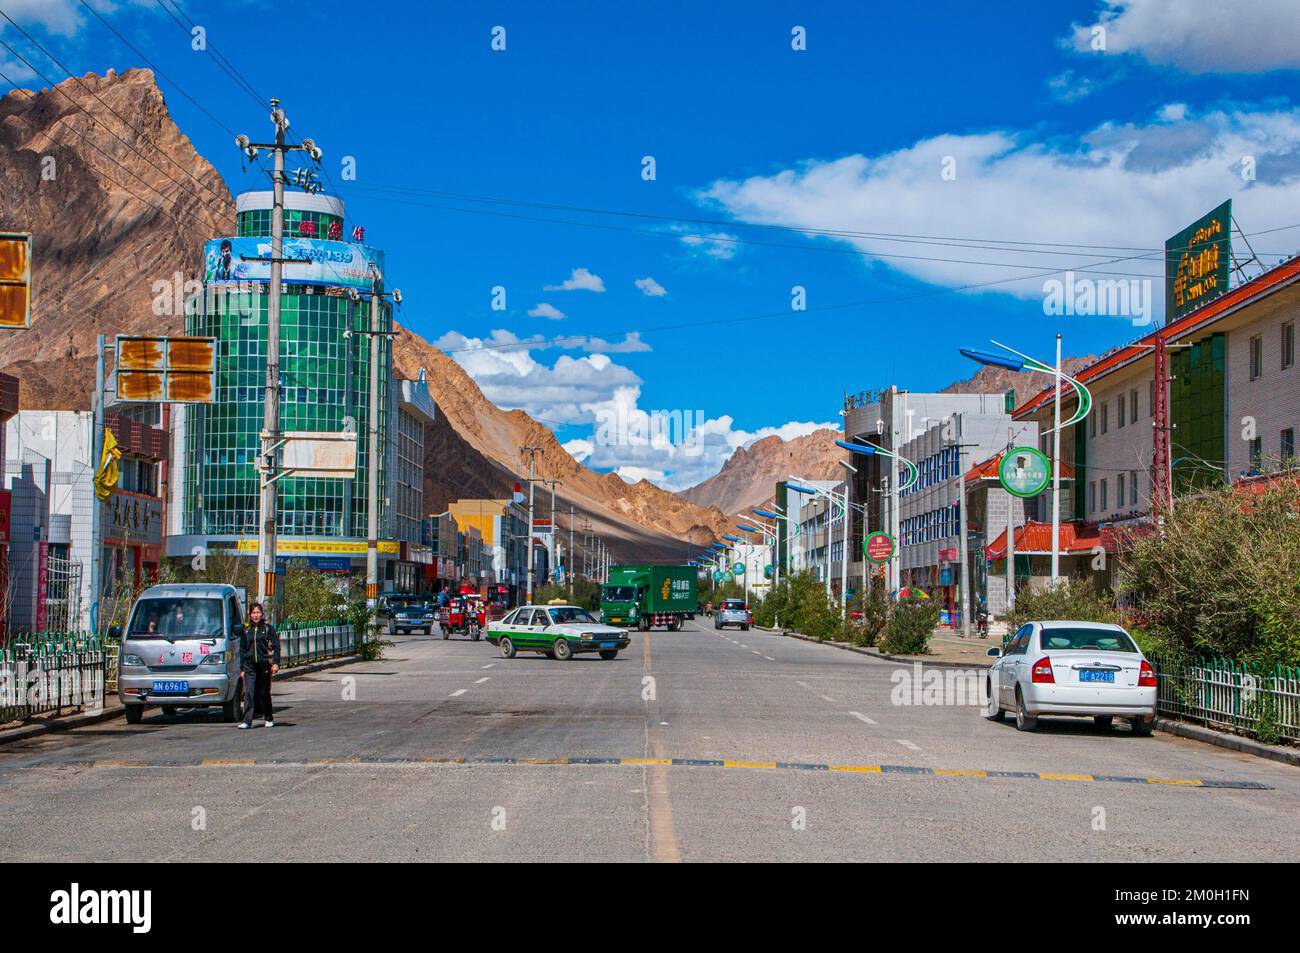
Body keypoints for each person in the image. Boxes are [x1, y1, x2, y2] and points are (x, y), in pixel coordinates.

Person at [237, 602, 280, 729]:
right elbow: (242, 650)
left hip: (264, 665)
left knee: (264, 692)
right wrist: (242, 668)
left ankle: (268, 717)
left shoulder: (268, 629)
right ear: (250, 615)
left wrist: (276, 663)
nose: (256, 615)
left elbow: (276, 646)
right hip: (250, 666)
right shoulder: (246, 630)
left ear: (262, 614)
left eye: (258, 612)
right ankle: (247, 721)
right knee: (249, 693)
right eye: (253, 613)